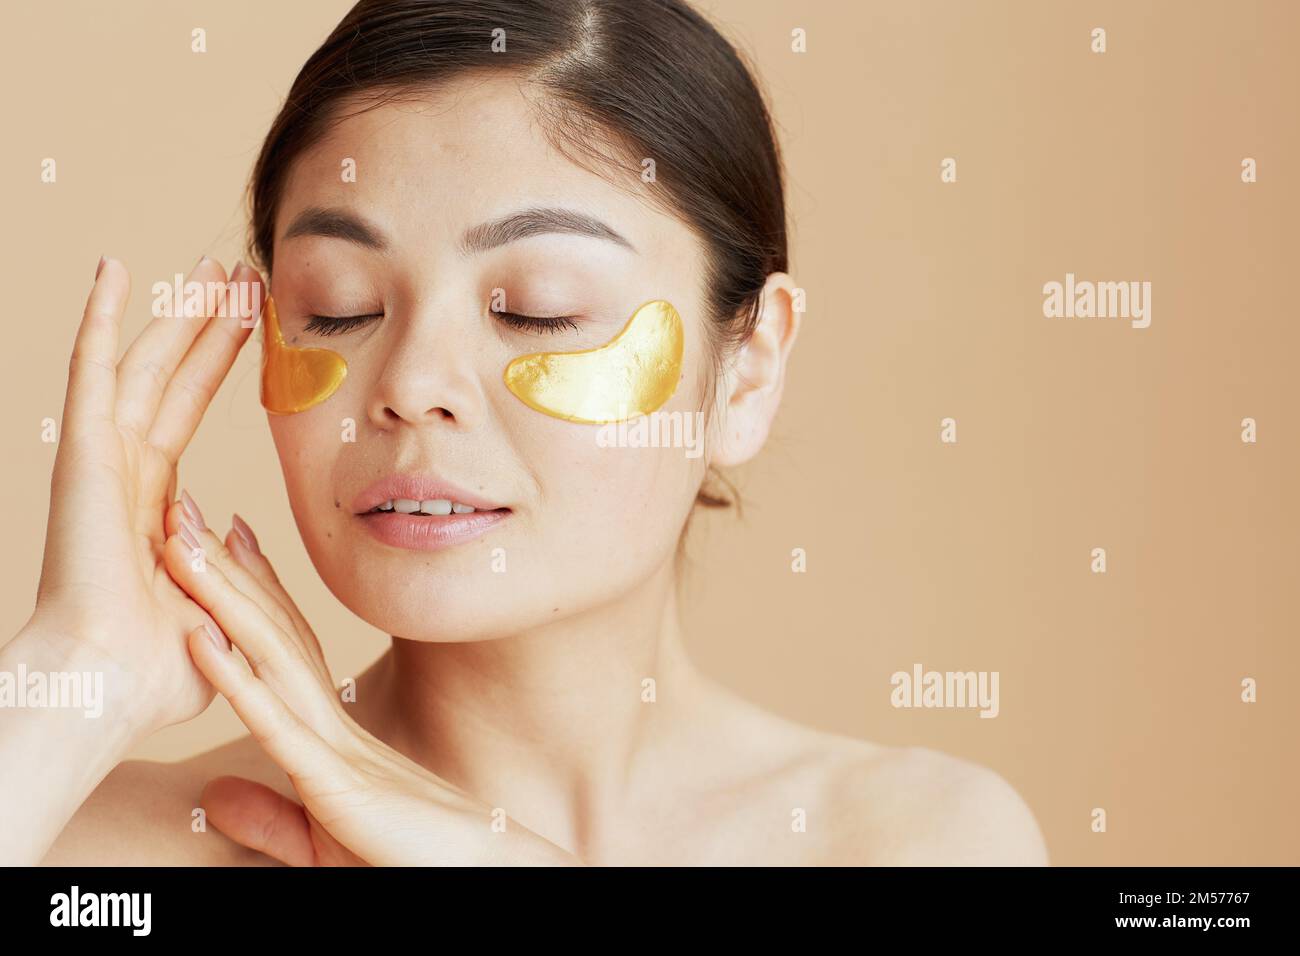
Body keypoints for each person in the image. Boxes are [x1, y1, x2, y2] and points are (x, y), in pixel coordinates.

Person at [2, 0, 1047, 866]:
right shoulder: (126, 849)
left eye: (535, 308)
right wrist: (73, 672)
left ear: (748, 368)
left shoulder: (919, 838)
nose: (410, 384)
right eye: (338, 303)